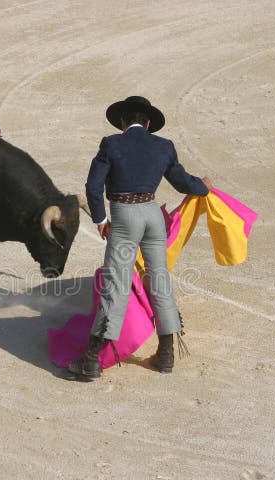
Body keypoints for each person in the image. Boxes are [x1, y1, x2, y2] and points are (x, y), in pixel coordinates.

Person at [68, 96, 214, 381]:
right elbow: (183, 182)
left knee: (116, 285)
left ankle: (90, 360)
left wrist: (101, 220)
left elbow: (93, 188)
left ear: (123, 122)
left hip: (125, 218)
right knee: (159, 279)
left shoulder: (111, 144)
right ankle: (166, 354)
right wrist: (203, 187)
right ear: (148, 123)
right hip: (152, 216)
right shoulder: (164, 146)